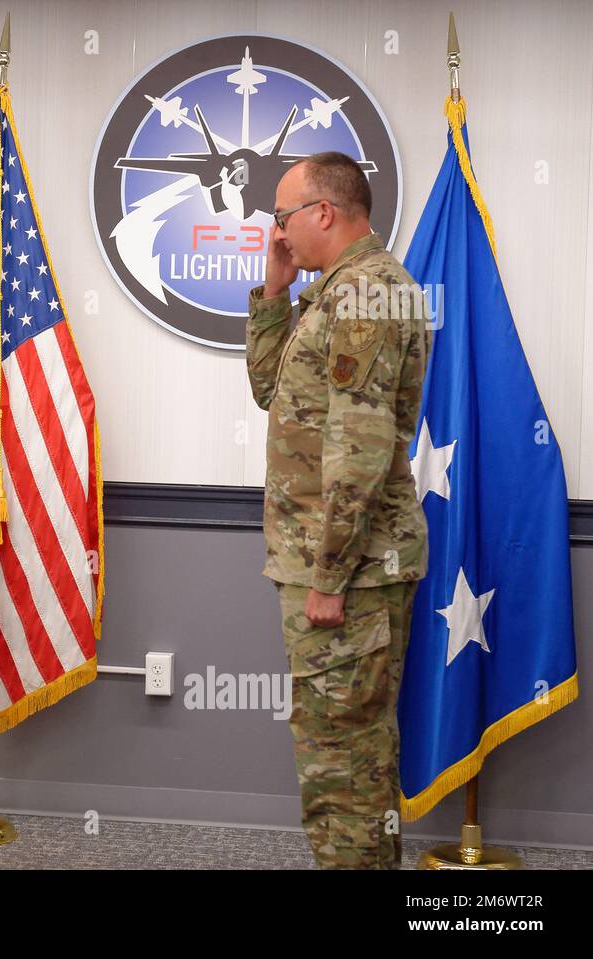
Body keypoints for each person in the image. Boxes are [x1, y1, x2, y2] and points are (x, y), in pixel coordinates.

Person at [245, 152, 430, 869]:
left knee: (345, 770)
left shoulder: (365, 297)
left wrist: (329, 574)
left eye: (285, 216)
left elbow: (360, 445)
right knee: (342, 759)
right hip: (332, 564)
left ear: (324, 212)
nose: (280, 232)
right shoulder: (334, 294)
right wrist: (273, 291)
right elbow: (271, 392)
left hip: (347, 573)